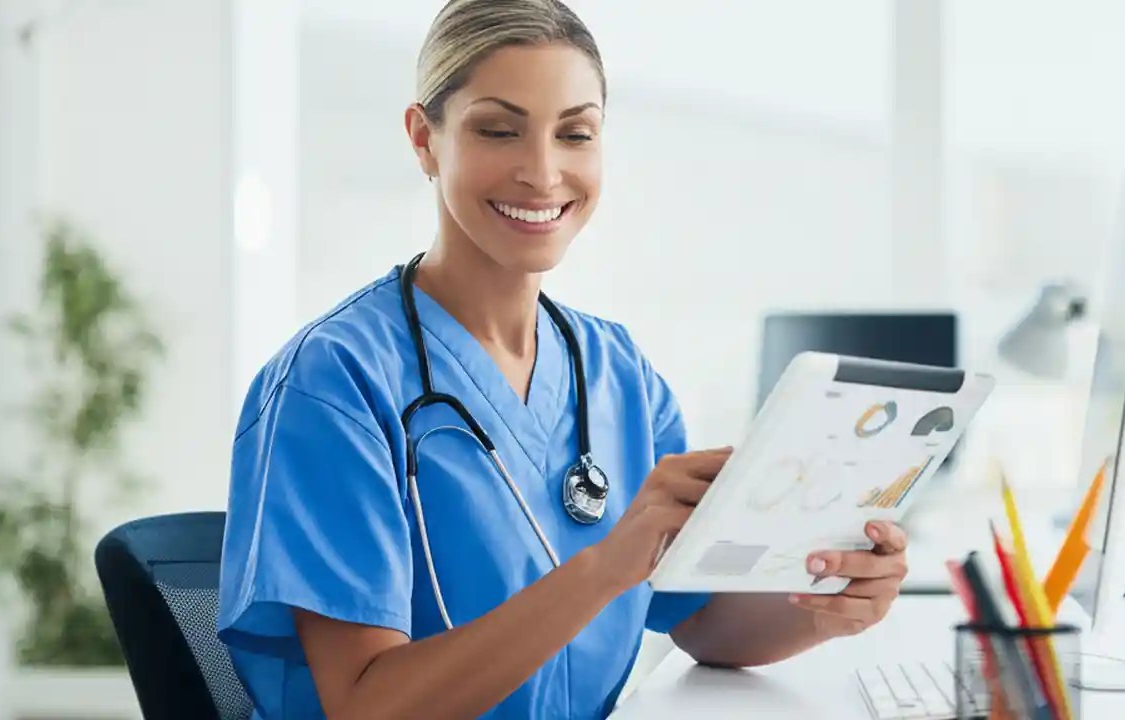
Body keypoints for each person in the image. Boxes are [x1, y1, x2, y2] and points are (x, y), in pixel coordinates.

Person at [216, 1, 909, 717]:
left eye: (575, 134)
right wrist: (609, 566)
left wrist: (827, 598)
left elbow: (700, 620)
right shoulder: (333, 383)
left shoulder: (617, 372)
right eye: (498, 129)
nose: (543, 173)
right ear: (425, 139)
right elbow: (368, 706)